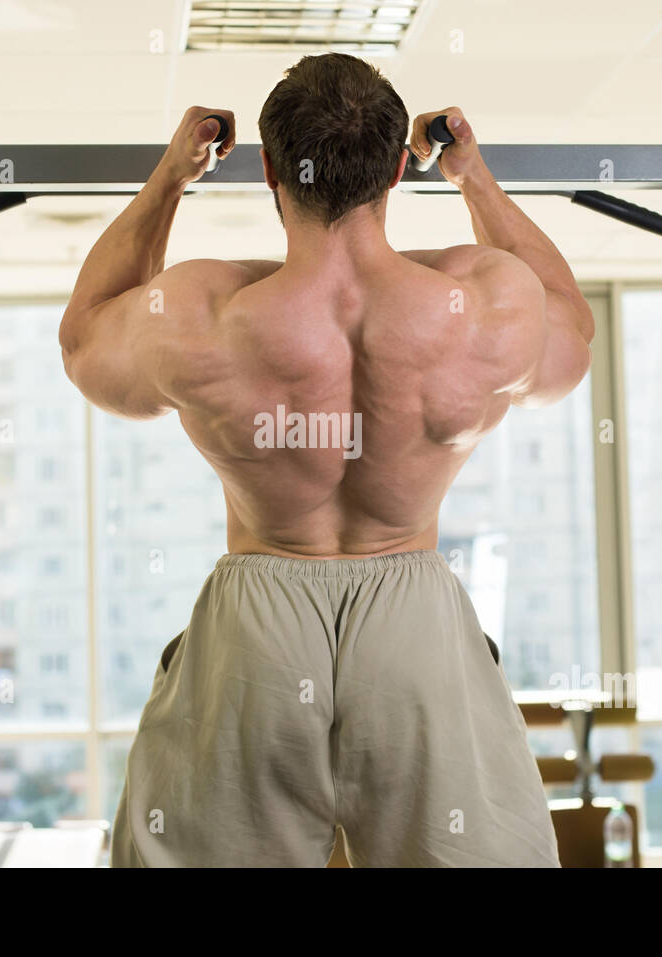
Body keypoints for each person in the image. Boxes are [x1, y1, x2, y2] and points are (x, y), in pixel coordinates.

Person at [59, 52, 592, 866]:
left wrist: (170, 179)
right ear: (393, 172)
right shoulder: (482, 301)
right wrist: (473, 178)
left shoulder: (202, 309)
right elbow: (573, 330)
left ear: (270, 167)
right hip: (410, 615)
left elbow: (85, 336)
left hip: (258, 621)